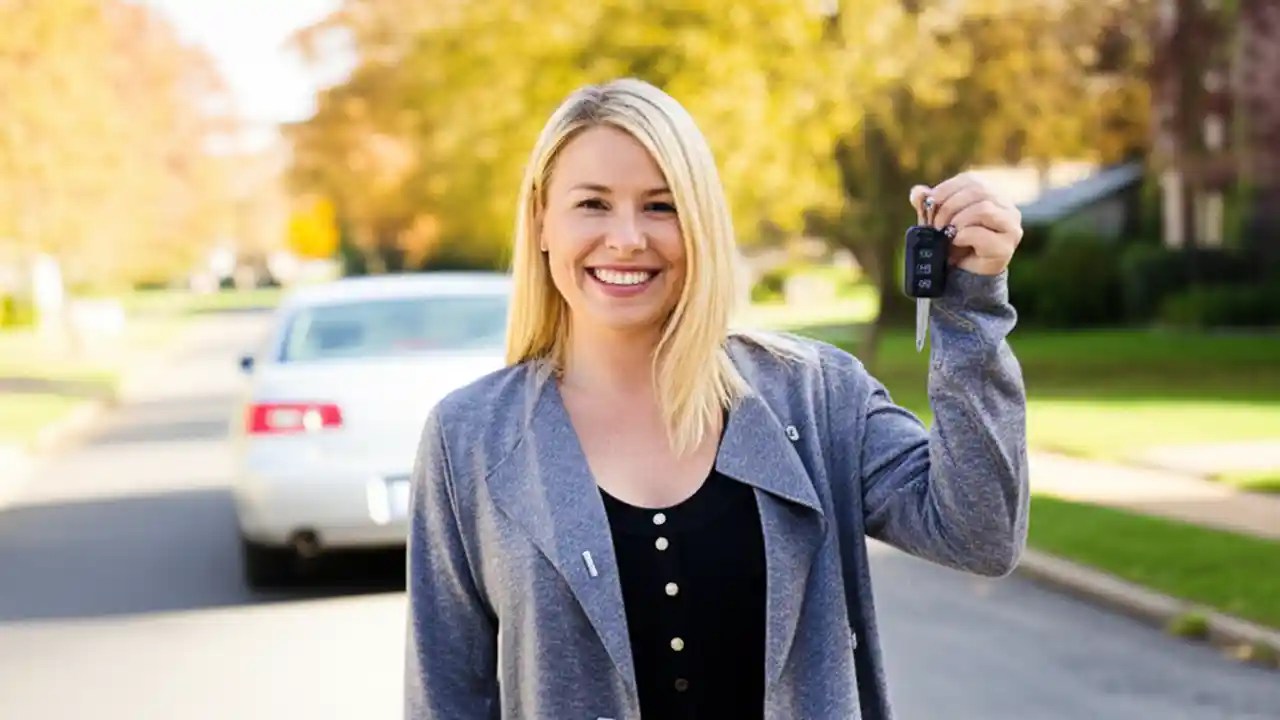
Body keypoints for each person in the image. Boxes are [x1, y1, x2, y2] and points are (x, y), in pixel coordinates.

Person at [405, 77, 1028, 720]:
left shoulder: (815, 396)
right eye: (593, 204)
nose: (626, 239)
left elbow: (979, 534)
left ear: (701, 222)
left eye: (661, 205)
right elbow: (445, 697)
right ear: (541, 221)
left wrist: (971, 311)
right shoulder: (470, 438)